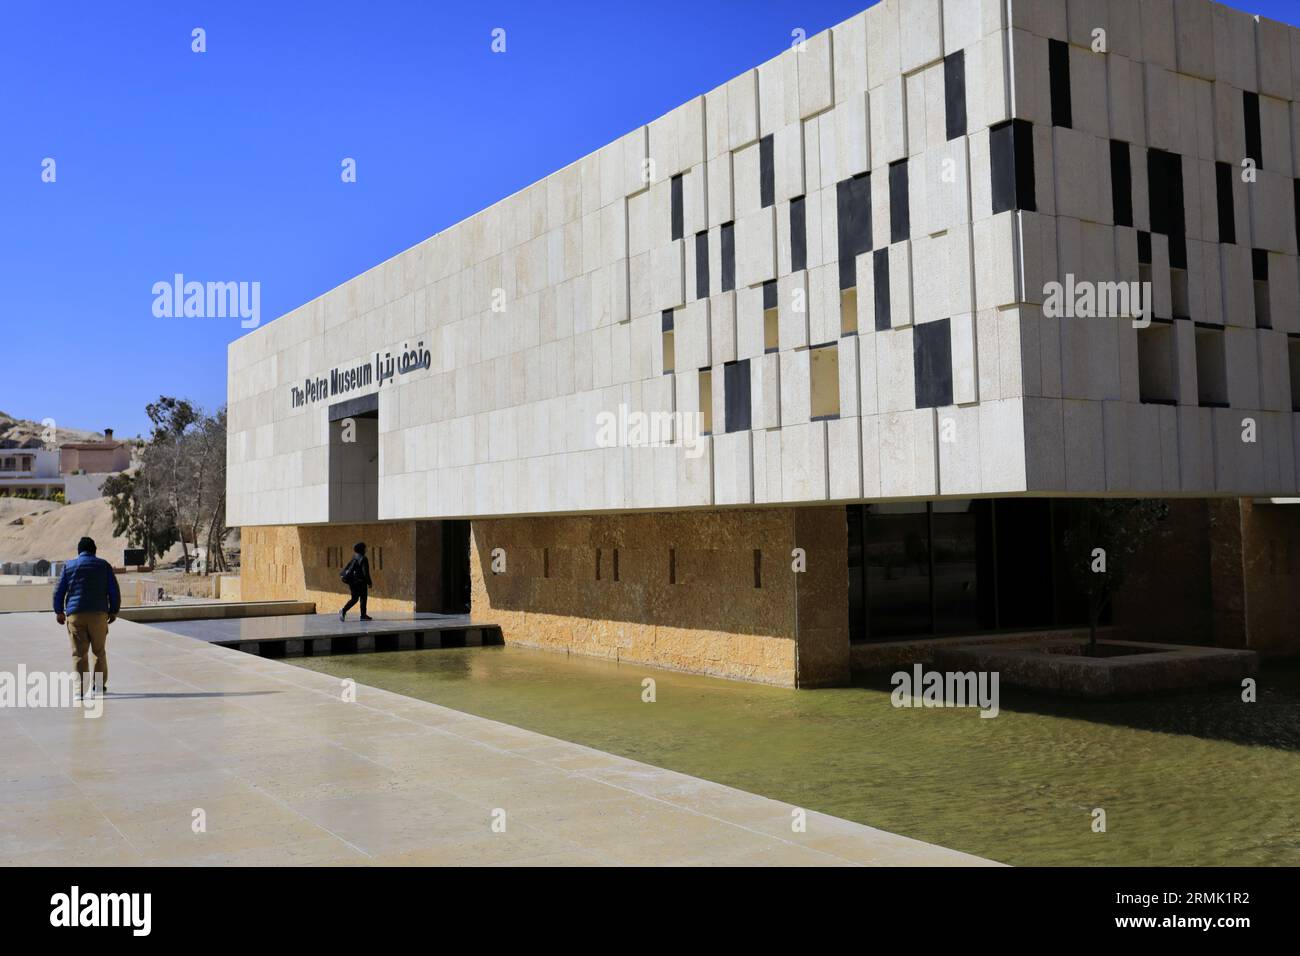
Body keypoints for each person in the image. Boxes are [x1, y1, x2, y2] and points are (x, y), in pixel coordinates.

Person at [53, 536, 121, 696]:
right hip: (98, 615)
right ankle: (98, 687)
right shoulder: (104, 566)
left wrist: (59, 611)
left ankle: (80, 690)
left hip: (76, 615)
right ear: (94, 551)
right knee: (99, 652)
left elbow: (59, 590)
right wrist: (114, 610)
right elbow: (113, 590)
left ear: (79, 552)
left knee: (79, 654)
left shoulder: (68, 566)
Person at [339, 542, 373, 621]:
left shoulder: (355, 556)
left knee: (354, 599)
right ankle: (363, 615)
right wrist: (369, 582)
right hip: (361, 582)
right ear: (362, 549)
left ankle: (344, 610)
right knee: (363, 598)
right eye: (365, 548)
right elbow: (365, 572)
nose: (366, 549)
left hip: (353, 582)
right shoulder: (363, 558)